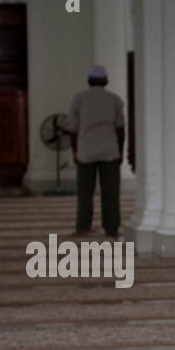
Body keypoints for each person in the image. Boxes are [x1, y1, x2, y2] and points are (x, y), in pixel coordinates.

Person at [67, 65, 125, 238]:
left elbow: (73, 129)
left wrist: (75, 151)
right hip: (110, 150)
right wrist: (120, 151)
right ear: (106, 81)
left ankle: (83, 227)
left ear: (89, 81)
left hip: (86, 151)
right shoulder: (115, 99)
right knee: (111, 193)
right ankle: (111, 228)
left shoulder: (79, 99)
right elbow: (120, 129)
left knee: (85, 193)